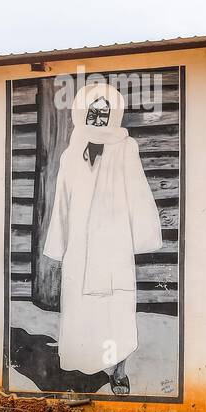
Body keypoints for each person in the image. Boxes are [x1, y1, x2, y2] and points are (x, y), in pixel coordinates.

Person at [42, 82, 161, 395]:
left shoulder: (126, 147)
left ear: (114, 115)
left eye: (104, 114)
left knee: (116, 308)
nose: (98, 119)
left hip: (113, 246)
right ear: (83, 113)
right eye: (92, 113)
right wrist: (58, 247)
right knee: (81, 311)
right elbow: (62, 203)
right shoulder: (71, 153)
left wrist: (142, 236)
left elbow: (138, 193)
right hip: (79, 249)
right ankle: (80, 367)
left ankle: (119, 369)